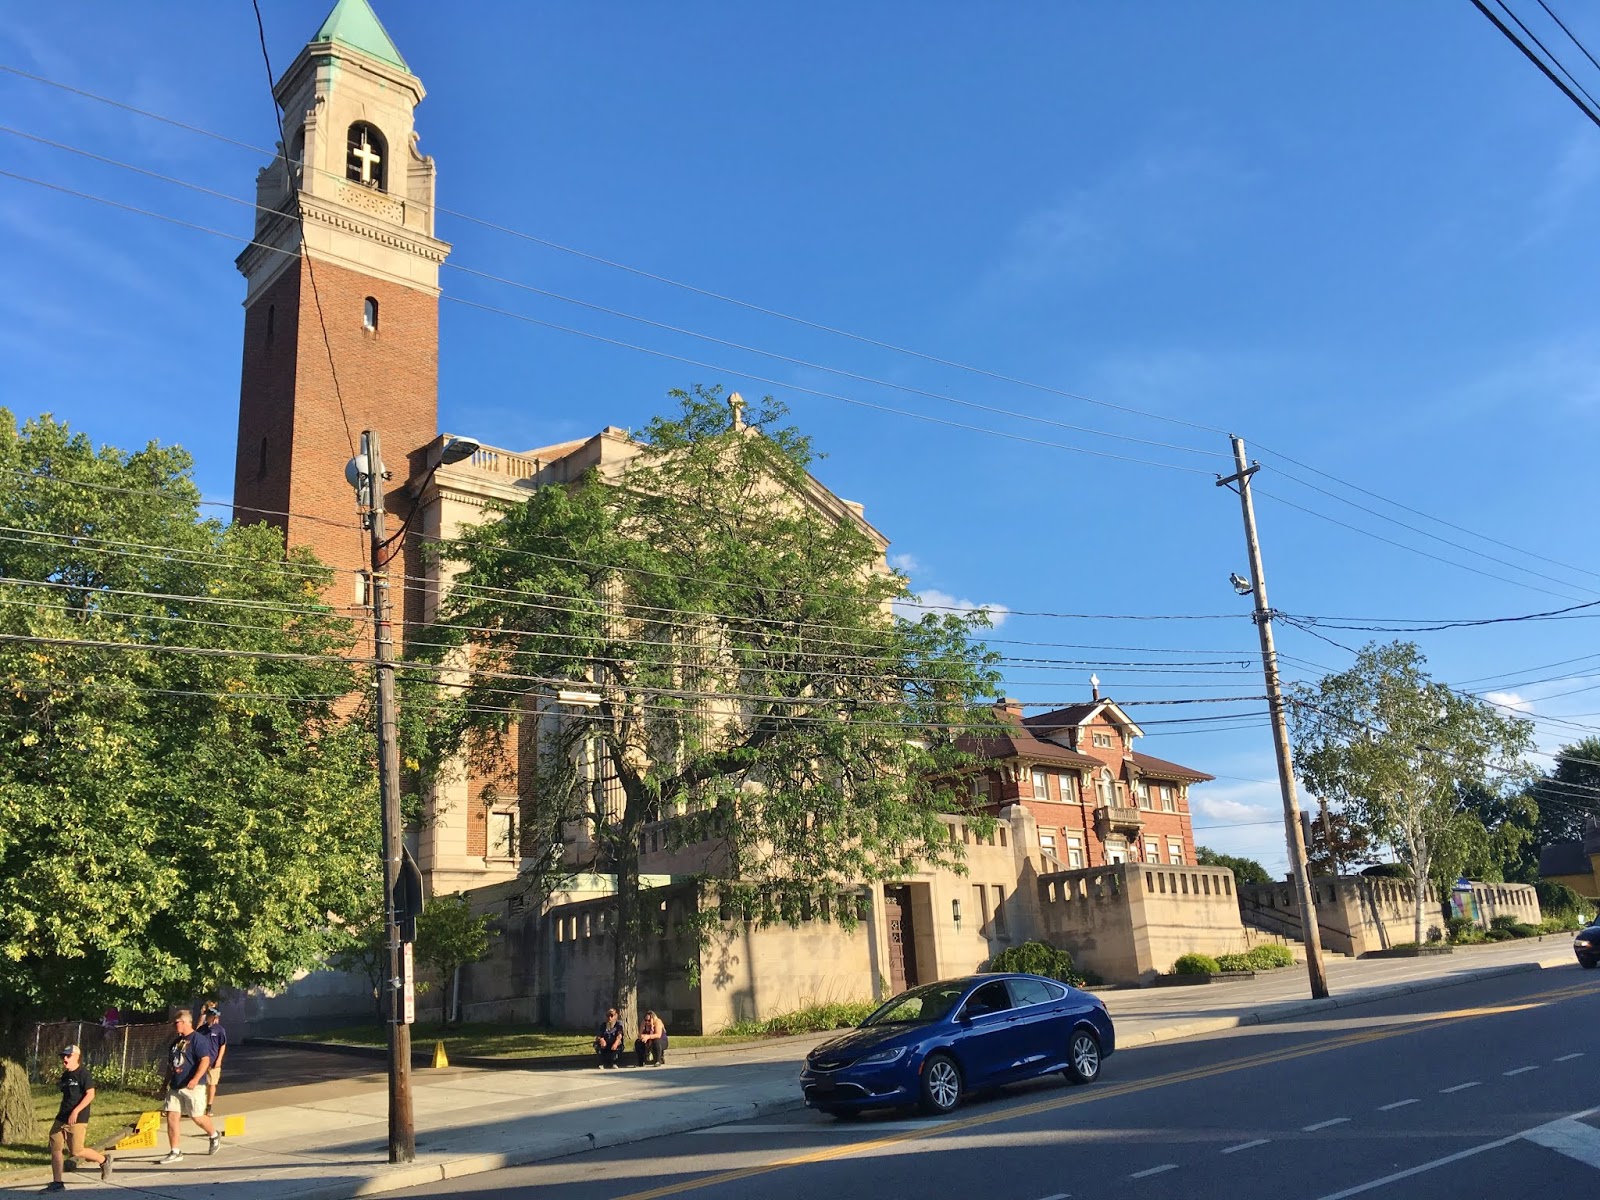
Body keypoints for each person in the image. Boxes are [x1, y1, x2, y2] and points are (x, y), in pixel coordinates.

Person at [45, 1045, 110, 1191]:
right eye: (63, 1057)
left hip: (78, 1118)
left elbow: (90, 1094)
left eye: (68, 1056)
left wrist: (76, 1111)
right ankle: (57, 1182)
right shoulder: (66, 1075)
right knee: (55, 1147)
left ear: (77, 1057)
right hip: (62, 1116)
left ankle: (104, 1160)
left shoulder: (83, 1074)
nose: (64, 1059)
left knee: (77, 1151)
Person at [158, 1009, 220, 1164]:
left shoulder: (198, 1040)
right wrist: (164, 1085)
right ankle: (175, 1151)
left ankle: (213, 1134)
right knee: (172, 1116)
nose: (174, 1026)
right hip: (175, 1085)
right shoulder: (176, 1043)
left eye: (176, 1023)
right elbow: (170, 1065)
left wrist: (195, 1078)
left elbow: (205, 1060)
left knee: (197, 1116)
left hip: (193, 1086)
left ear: (185, 1022)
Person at [199, 1003, 228, 1117]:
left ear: (215, 1017)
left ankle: (209, 1106)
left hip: (213, 1061)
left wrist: (219, 1059)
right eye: (207, 1015)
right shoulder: (202, 1029)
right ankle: (199, 1105)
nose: (208, 1017)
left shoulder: (219, 1030)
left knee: (212, 1083)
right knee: (201, 1085)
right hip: (202, 1061)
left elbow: (223, 1045)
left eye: (210, 1015)